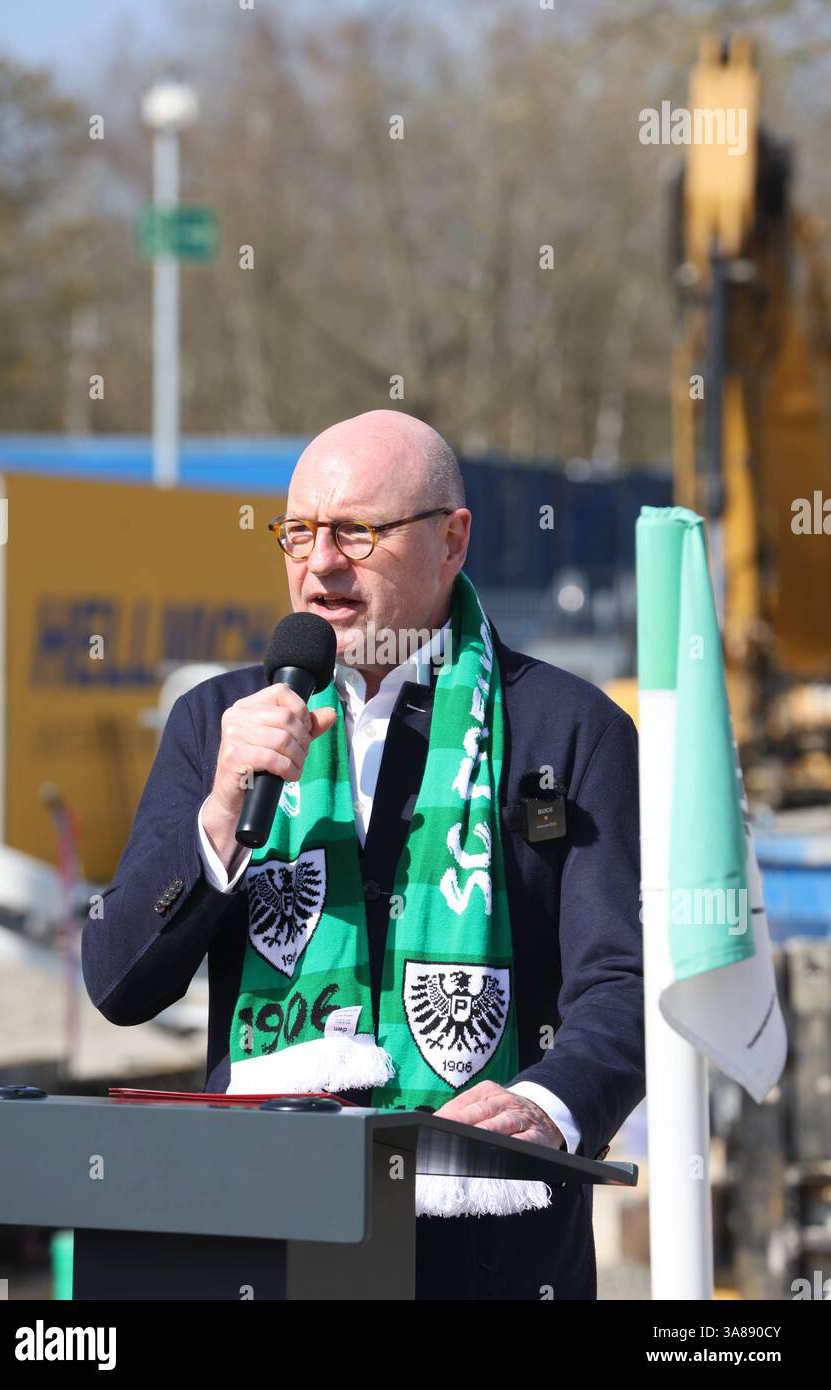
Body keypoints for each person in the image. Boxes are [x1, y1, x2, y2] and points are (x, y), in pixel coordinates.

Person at [82, 409, 644, 1300]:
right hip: (267, 1239)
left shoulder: (570, 729)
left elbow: (624, 981)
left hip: (491, 1254)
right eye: (299, 532)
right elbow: (119, 983)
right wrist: (221, 813)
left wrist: (550, 1102)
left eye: (357, 532)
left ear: (452, 539)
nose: (320, 562)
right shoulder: (217, 724)